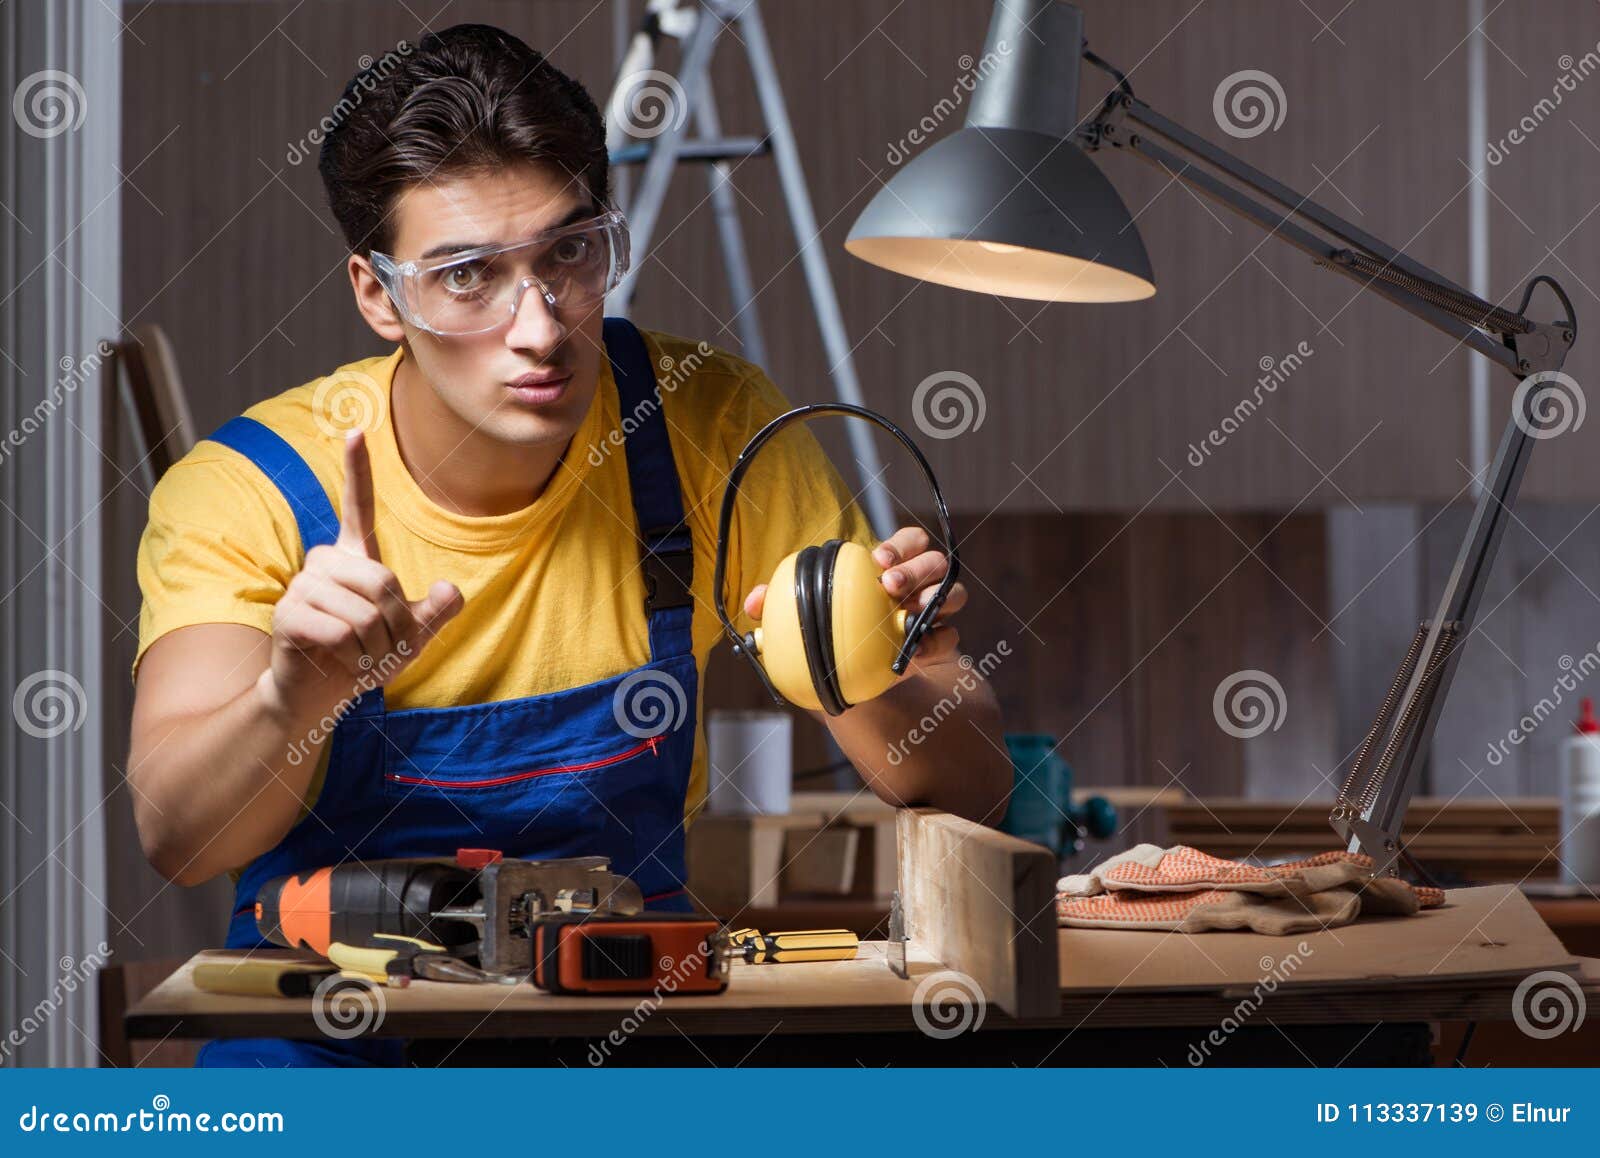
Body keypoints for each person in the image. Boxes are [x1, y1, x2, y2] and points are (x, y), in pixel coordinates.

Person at [127, 23, 1010, 1067]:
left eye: (569, 255)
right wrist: (291, 699)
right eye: (466, 277)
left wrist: (889, 672)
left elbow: (969, 792)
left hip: (627, 1025)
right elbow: (179, 841)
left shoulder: (705, 426)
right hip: (330, 1044)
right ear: (378, 293)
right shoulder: (247, 489)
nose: (539, 326)